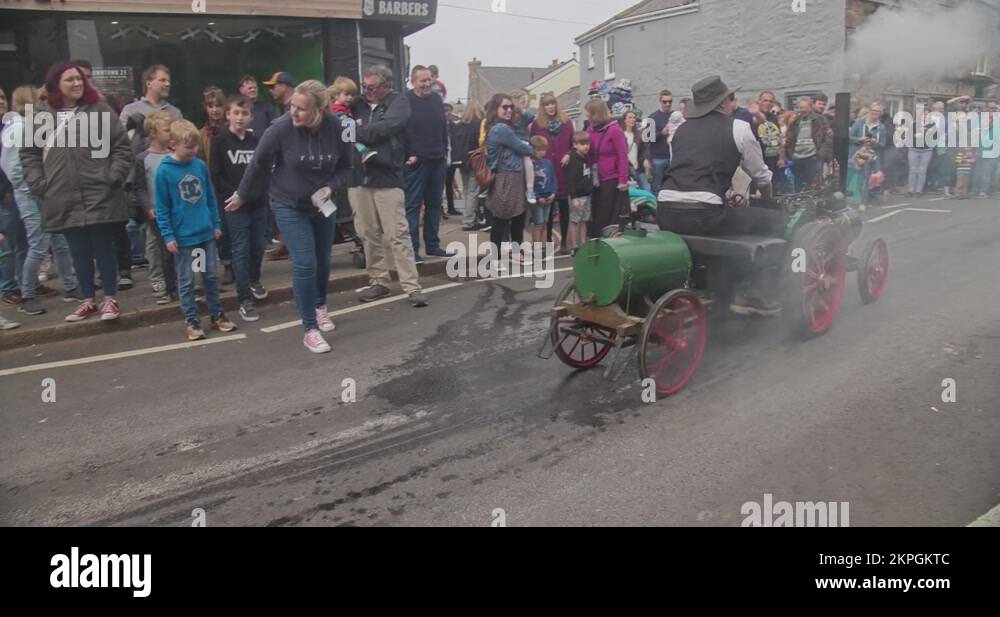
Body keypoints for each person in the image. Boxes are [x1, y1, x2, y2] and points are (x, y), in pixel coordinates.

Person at [230, 80, 356, 353]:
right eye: (292, 106)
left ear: (320, 110)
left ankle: (320, 305)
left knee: (323, 261)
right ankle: (309, 328)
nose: (293, 112)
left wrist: (329, 187)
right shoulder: (280, 128)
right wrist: (242, 194)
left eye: (301, 109)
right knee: (306, 262)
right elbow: (258, 163)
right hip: (288, 203)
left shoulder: (339, 128)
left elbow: (347, 167)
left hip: (322, 204)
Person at [656, 75, 781, 316]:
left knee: (728, 216)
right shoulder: (739, 128)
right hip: (704, 216)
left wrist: (728, 193)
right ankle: (754, 292)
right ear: (723, 102)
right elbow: (762, 176)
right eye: (730, 99)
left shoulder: (680, 130)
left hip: (666, 211)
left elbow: (691, 172)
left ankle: (716, 285)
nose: (733, 104)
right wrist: (767, 200)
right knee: (774, 221)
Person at [21, 62, 133, 322]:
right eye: (70, 79)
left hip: (100, 192)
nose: (77, 83)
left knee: (103, 246)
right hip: (62, 194)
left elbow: (121, 147)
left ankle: (109, 299)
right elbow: (29, 153)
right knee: (78, 250)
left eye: (79, 78)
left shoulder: (100, 109)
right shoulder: (41, 115)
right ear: (56, 84)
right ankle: (87, 300)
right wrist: (39, 184)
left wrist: (113, 175)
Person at [348, 64, 428, 307]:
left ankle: (412, 287)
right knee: (368, 234)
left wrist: (357, 132)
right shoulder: (356, 104)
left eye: (371, 87)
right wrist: (352, 131)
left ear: (386, 85)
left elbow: (390, 126)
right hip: (359, 178)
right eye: (364, 86)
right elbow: (339, 125)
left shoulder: (399, 102)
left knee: (397, 234)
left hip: (388, 176)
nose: (366, 91)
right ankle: (379, 281)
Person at [1, 85, 80, 316]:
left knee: (59, 241)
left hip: (43, 192)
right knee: (38, 244)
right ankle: (28, 295)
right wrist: (31, 188)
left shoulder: (32, 126)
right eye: (41, 99)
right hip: (31, 194)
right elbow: (12, 166)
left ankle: (70, 285)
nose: (47, 103)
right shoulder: (18, 127)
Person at [155, 119, 236, 340]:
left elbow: (210, 198)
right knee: (187, 280)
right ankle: (191, 319)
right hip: (184, 239)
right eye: (188, 147)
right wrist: (168, 235)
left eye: (196, 146)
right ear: (173, 144)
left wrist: (216, 223)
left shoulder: (199, 166)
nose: (194, 151)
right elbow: (162, 208)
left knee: (210, 276)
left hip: (205, 234)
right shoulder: (164, 172)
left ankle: (216, 314)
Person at [211, 95, 269, 322]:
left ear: (251, 117)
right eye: (236, 113)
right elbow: (216, 176)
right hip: (234, 206)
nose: (240, 118)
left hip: (257, 204)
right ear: (227, 115)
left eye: (245, 114)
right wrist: (237, 196)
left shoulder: (257, 142)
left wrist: (251, 195)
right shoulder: (220, 142)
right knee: (241, 250)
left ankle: (254, 279)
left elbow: (264, 173)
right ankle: (244, 299)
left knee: (258, 246)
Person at [403, 65, 453, 262]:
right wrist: (409, 153)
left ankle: (433, 246)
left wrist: (444, 152)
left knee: (434, 204)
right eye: (423, 80)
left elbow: (442, 126)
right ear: (413, 82)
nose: (427, 84)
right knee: (413, 206)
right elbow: (401, 130)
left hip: (437, 159)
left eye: (429, 79)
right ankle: (413, 250)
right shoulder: (405, 100)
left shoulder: (436, 100)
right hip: (416, 162)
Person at [127, 110, 178, 305]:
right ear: (153, 134)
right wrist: (148, 208)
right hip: (158, 212)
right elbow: (139, 187)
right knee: (166, 250)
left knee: (186, 248)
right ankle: (170, 287)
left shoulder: (176, 155)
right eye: (166, 130)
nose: (170, 133)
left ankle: (189, 281)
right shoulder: (142, 158)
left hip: (178, 210)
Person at [484, 93, 534, 270]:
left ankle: (516, 251)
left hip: (514, 175)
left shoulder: (506, 126)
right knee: (502, 218)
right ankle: (496, 257)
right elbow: (523, 147)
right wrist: (529, 147)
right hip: (505, 177)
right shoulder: (500, 129)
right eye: (504, 107)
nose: (509, 110)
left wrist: (520, 106)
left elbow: (529, 117)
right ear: (495, 108)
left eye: (510, 107)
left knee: (518, 216)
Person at [529, 93, 574, 253]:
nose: (550, 107)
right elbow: (532, 146)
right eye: (547, 104)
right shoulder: (537, 125)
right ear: (543, 106)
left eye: (552, 103)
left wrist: (569, 154)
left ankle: (564, 243)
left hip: (562, 171)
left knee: (564, 207)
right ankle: (546, 240)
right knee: (546, 211)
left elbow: (572, 144)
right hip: (544, 171)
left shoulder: (567, 123)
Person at [200, 86, 233, 283]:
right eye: (210, 106)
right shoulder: (202, 133)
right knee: (221, 229)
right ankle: (227, 264)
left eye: (219, 105)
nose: (215, 110)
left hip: (232, 183)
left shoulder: (231, 129)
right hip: (213, 187)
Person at [585, 98, 630, 236]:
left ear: (596, 114)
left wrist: (623, 180)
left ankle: (607, 239)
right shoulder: (590, 130)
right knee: (595, 213)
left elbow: (622, 156)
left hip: (611, 179)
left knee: (607, 215)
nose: (587, 116)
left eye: (589, 114)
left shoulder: (615, 131)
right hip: (595, 178)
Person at [784, 95, 833, 192]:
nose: (803, 110)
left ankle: (811, 205)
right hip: (797, 157)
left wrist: (820, 154)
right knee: (798, 185)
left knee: (813, 186)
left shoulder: (820, 120)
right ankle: (798, 204)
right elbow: (789, 138)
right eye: (801, 108)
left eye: (805, 107)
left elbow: (828, 139)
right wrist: (790, 153)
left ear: (811, 107)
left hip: (813, 157)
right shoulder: (795, 121)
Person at [847, 102, 886, 208]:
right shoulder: (860, 123)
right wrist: (860, 139)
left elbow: (883, 144)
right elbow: (850, 138)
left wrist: (875, 142)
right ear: (870, 110)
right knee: (851, 177)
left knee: (865, 179)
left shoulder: (881, 127)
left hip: (870, 156)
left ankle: (862, 203)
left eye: (878, 111)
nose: (875, 113)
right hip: (856, 154)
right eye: (873, 110)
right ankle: (846, 202)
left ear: (880, 113)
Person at [564, 131, 593, 254]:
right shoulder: (574, 161)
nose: (586, 146)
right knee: (574, 221)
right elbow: (570, 181)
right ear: (575, 145)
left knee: (583, 220)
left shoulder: (585, 159)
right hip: (577, 196)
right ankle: (574, 246)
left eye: (587, 143)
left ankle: (583, 244)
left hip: (586, 195)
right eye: (582, 144)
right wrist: (574, 197)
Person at [457, 100, 485, 231]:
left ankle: (467, 218)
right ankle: (469, 221)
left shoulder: (461, 125)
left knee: (467, 190)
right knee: (473, 192)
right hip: (475, 160)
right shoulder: (479, 124)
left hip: (463, 161)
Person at [529, 135, 557, 250]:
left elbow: (553, 179)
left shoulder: (548, 163)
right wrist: (537, 197)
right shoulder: (530, 165)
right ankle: (536, 245)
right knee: (538, 222)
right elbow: (530, 184)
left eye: (543, 150)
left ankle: (544, 245)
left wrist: (553, 193)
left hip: (548, 197)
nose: (542, 152)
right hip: (537, 199)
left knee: (545, 222)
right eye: (539, 150)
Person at [645, 90, 674, 192]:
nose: (668, 104)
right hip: (658, 158)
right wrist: (661, 133)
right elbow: (647, 139)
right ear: (660, 101)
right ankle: (656, 208)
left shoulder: (675, 116)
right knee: (657, 187)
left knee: (671, 187)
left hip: (673, 157)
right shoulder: (653, 118)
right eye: (665, 102)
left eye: (670, 101)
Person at [906, 107, 936, 196]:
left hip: (926, 150)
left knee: (922, 170)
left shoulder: (932, 126)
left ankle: (919, 190)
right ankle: (911, 190)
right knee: (913, 170)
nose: (925, 116)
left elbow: (935, 139)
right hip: (913, 149)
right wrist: (915, 136)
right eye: (924, 114)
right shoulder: (914, 124)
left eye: (927, 115)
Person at [620, 110, 649, 191]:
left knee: (647, 188)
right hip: (626, 169)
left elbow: (645, 148)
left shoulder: (638, 134)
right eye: (630, 117)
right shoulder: (620, 134)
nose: (632, 119)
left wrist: (646, 159)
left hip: (638, 168)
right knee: (630, 192)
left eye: (634, 118)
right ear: (625, 120)